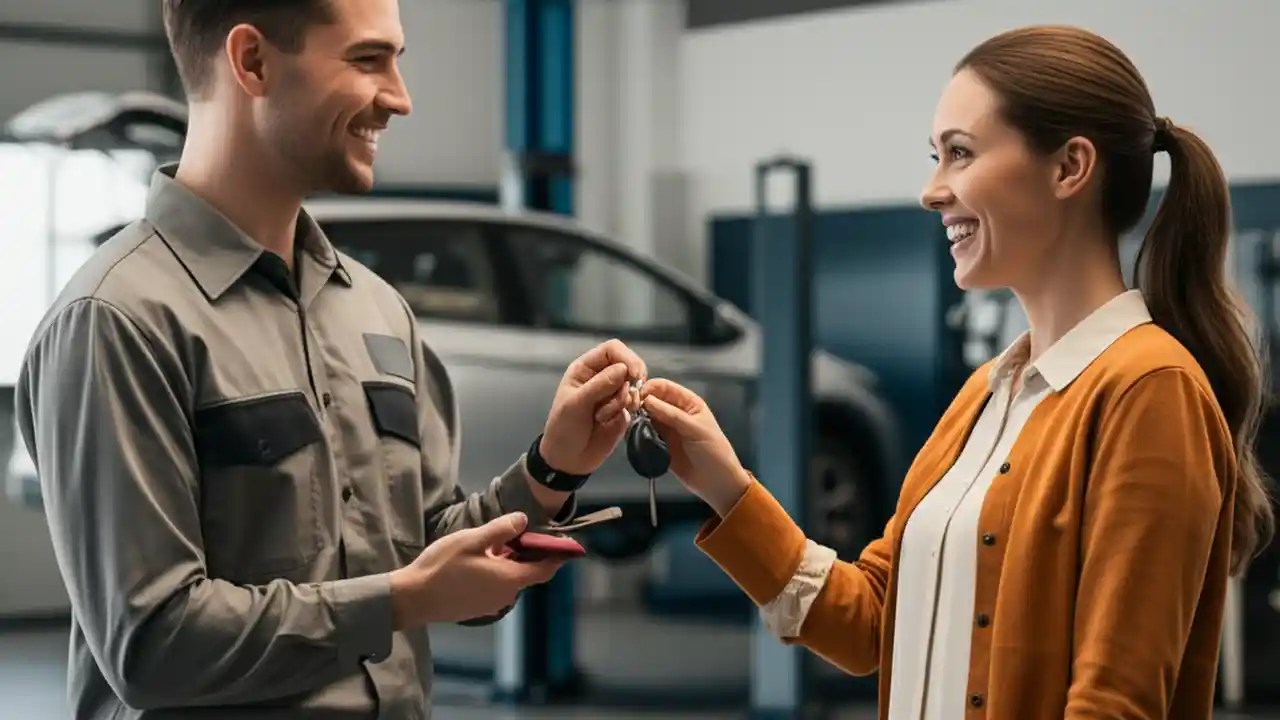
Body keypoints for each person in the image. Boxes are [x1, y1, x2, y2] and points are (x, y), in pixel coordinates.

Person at [13, 0, 644, 717]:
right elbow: (153, 645)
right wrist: (401, 600)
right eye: (369, 60)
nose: (401, 98)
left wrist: (552, 468)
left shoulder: (376, 310)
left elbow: (430, 553)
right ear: (251, 61)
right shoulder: (117, 321)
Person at [639, 24, 1275, 720]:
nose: (931, 191)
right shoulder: (986, 395)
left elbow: (1113, 706)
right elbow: (870, 624)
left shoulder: (1150, 390)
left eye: (960, 155)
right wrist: (725, 485)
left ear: (1069, 168)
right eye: (935, 157)